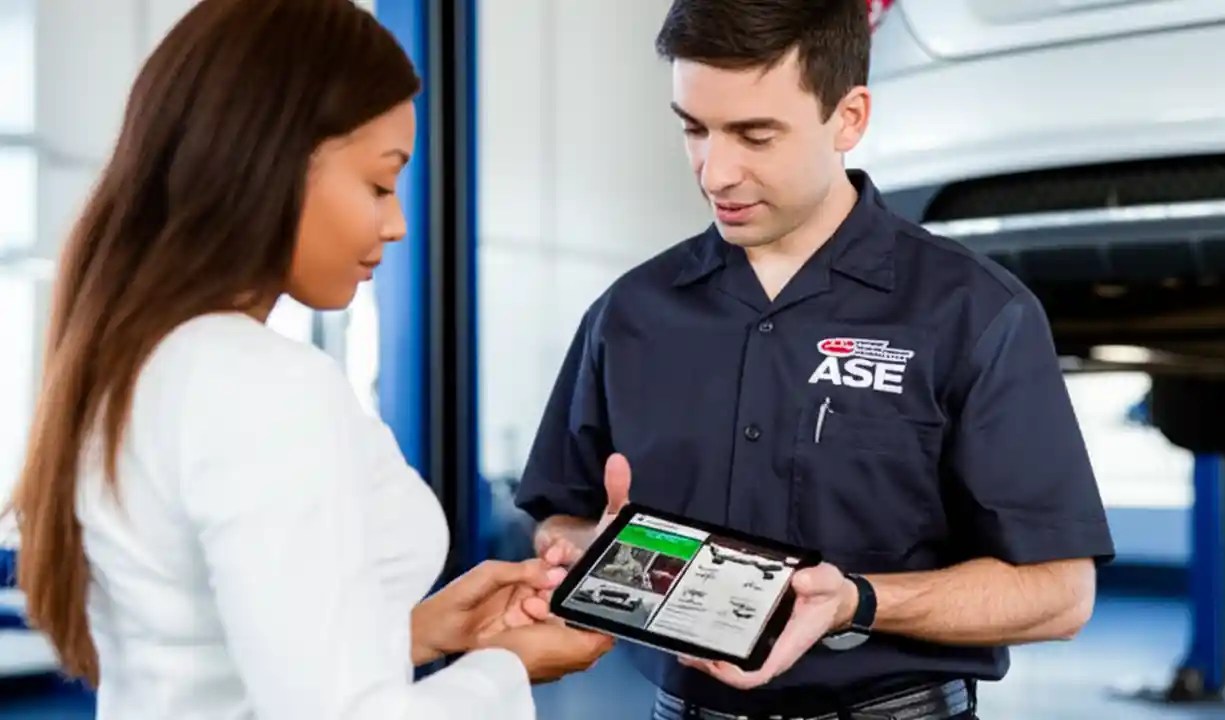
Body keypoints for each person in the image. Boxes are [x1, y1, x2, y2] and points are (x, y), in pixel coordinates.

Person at [6, 1, 610, 718]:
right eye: (380, 184)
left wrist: (415, 633)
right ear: (274, 162)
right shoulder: (260, 384)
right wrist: (503, 671)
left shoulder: (141, 363)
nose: (397, 224)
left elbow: (219, 662)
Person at [515, 1, 1116, 718]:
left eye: (755, 135)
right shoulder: (630, 314)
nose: (716, 173)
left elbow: (1059, 594)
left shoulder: (973, 312)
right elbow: (562, 520)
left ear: (850, 117)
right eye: (694, 129)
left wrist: (856, 601)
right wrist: (605, 553)